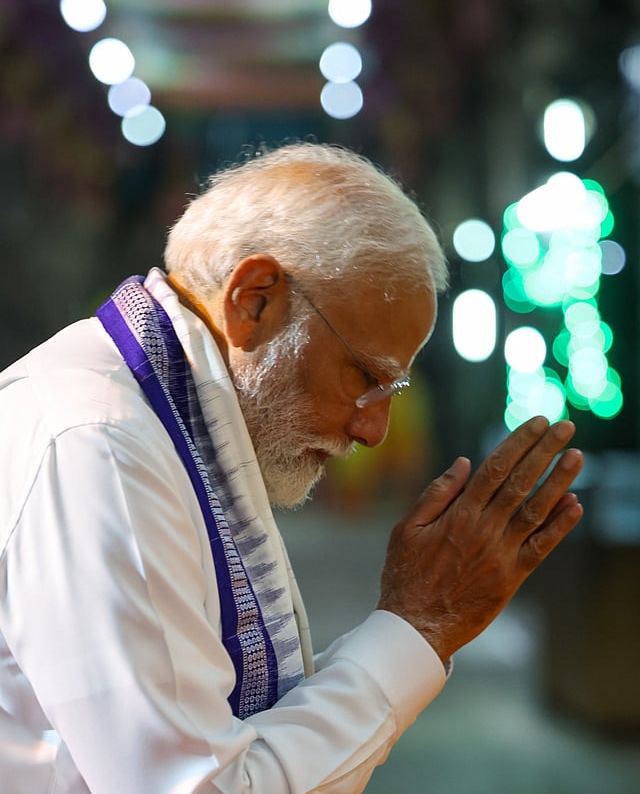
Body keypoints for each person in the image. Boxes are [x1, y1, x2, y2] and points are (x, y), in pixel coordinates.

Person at [0, 142, 583, 793]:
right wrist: (420, 625)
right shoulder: (102, 444)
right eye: (365, 378)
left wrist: (415, 628)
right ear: (255, 300)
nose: (373, 429)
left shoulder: (157, 417)